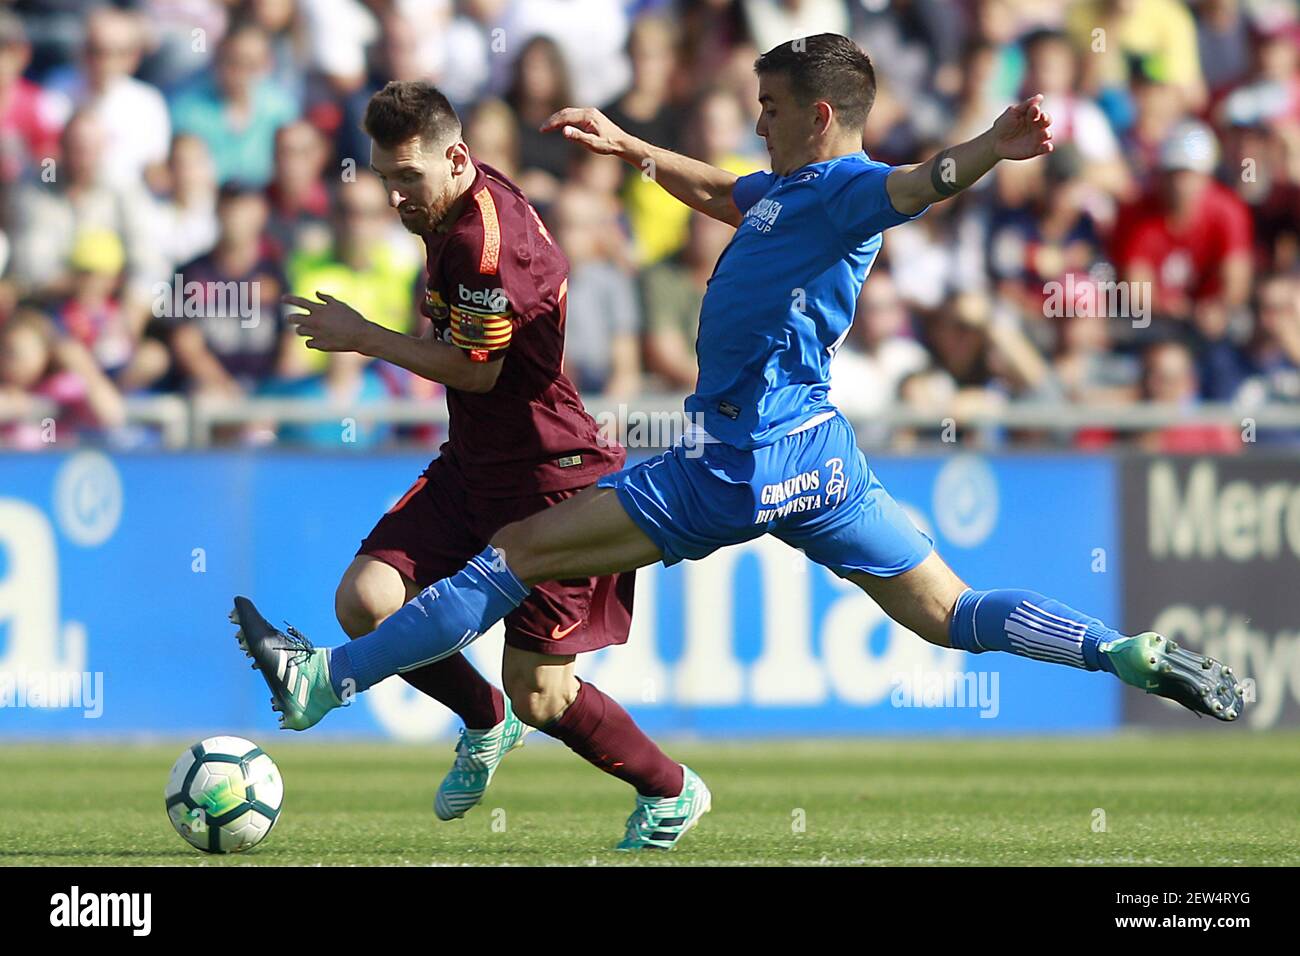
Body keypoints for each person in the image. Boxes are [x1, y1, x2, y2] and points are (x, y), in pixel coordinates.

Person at [234, 34, 1247, 833]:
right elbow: (721, 192)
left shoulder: (847, 189)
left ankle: (329, 679)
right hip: (820, 458)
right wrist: (634, 150)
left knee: (515, 554)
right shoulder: (788, 195)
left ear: (817, 115)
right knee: (949, 612)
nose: (757, 122)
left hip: (733, 460)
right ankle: (1117, 649)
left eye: (767, 107)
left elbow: (921, 183)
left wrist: (991, 145)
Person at [236, 81, 701, 850]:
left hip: (550, 474)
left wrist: (364, 335)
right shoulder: (452, 205)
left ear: (455, 158)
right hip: (473, 464)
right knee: (365, 599)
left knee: (543, 695)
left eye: (407, 177)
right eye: (384, 177)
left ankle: (672, 788)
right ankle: (484, 720)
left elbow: (476, 373)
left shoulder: (482, 246)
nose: (394, 196)